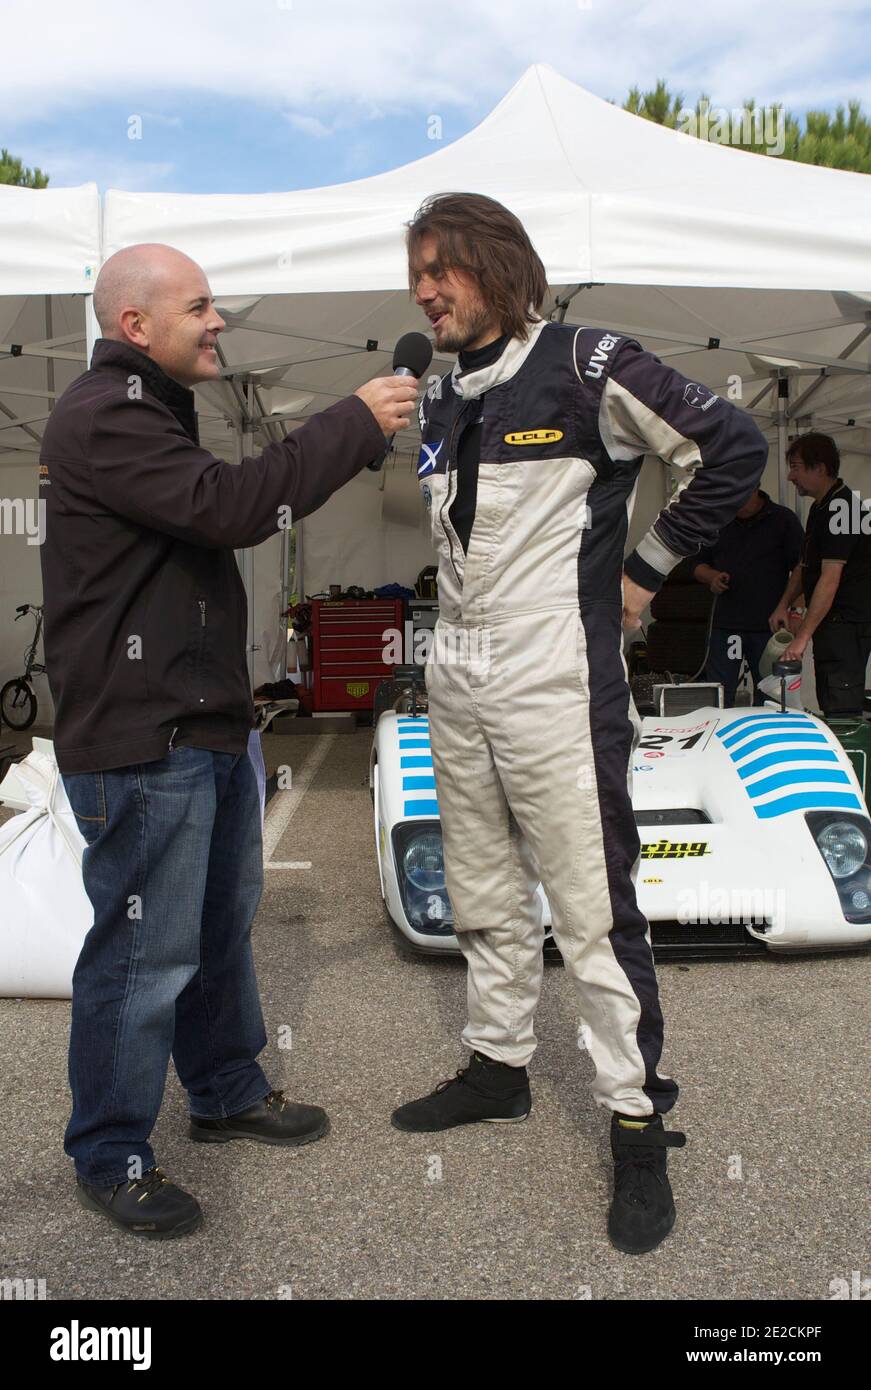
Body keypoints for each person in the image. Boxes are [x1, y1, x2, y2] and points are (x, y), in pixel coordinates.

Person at [393, 192, 768, 1255]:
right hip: (456, 671)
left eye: (442, 267)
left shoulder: (591, 360)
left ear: (498, 265)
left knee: (592, 906)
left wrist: (644, 576)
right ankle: (498, 1064)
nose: (424, 288)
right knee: (479, 881)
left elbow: (728, 444)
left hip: (557, 669)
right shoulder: (433, 394)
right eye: (415, 271)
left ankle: (636, 1118)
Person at [39, 242, 417, 1239]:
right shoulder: (104, 416)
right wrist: (353, 420)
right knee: (140, 955)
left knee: (213, 933)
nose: (219, 322)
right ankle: (112, 1151)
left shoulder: (153, 415)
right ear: (134, 326)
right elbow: (235, 507)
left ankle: (223, 1088)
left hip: (201, 726)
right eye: (199, 306)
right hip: (140, 740)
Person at [771, 432, 871, 716]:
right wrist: (784, 603)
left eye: (796, 467)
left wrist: (802, 636)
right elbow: (805, 566)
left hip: (848, 624)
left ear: (820, 468)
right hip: (832, 626)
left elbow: (830, 578)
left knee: (842, 704)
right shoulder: (820, 507)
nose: (791, 476)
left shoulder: (844, 508)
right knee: (828, 698)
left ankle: (849, 757)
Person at [693, 487, 803, 705]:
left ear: (754, 488)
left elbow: (802, 569)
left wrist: (796, 612)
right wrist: (712, 577)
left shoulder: (783, 520)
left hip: (769, 629)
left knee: (771, 695)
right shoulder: (716, 519)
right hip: (726, 626)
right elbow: (695, 565)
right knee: (720, 695)